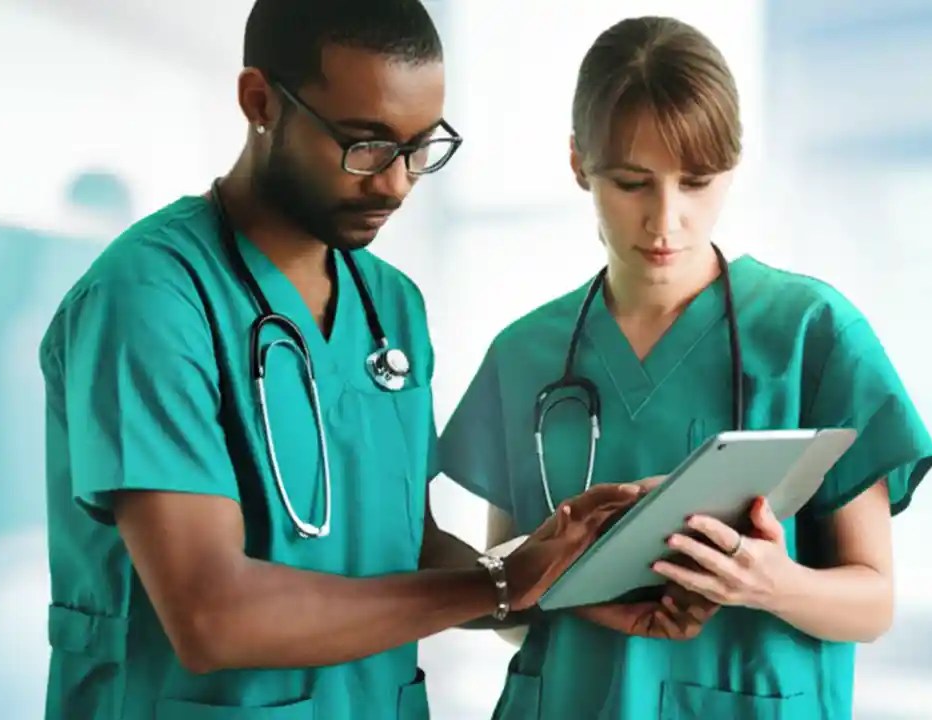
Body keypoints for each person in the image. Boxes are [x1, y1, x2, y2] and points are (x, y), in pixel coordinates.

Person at [36, 2, 669, 719]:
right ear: (259, 102)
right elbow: (211, 615)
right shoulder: (150, 299)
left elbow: (410, 547)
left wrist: (569, 580)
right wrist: (500, 583)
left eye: (419, 147)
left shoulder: (389, 304)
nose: (397, 182)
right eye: (364, 144)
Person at [438, 15, 932, 720]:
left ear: (731, 170)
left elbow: (873, 603)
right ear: (579, 162)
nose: (665, 219)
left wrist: (767, 582)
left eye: (697, 181)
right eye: (632, 182)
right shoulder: (527, 355)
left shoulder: (813, 334)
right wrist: (571, 579)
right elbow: (507, 604)